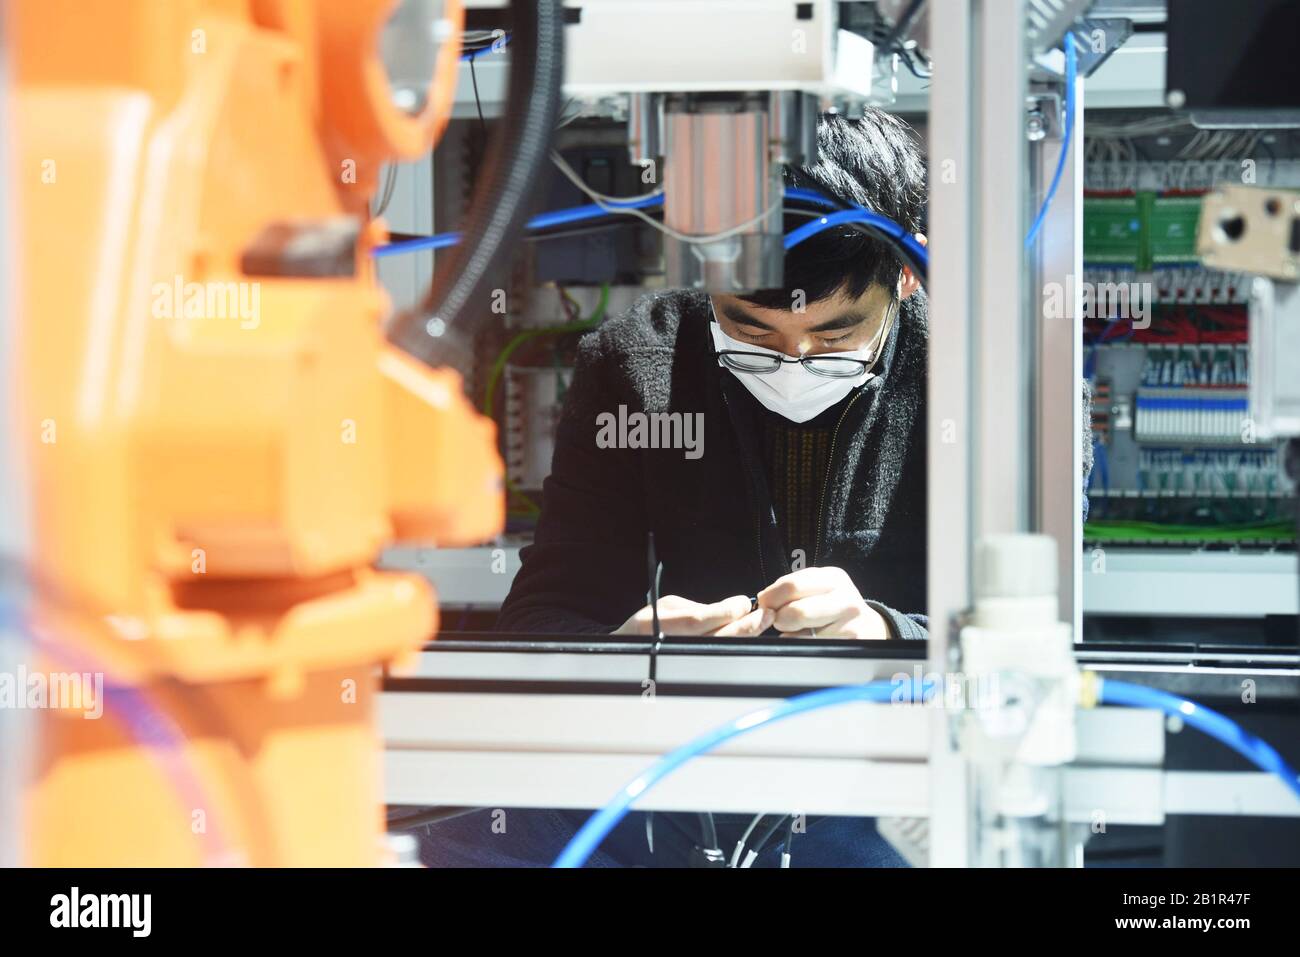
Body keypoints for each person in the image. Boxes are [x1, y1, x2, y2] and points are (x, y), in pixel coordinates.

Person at [421, 109, 928, 867]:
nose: (793, 363)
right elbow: (540, 619)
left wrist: (887, 640)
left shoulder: (986, 385)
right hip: (669, 776)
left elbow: (1046, 642)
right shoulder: (634, 366)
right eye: (752, 334)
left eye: (834, 338)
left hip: (881, 779)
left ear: (907, 278)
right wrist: (623, 651)